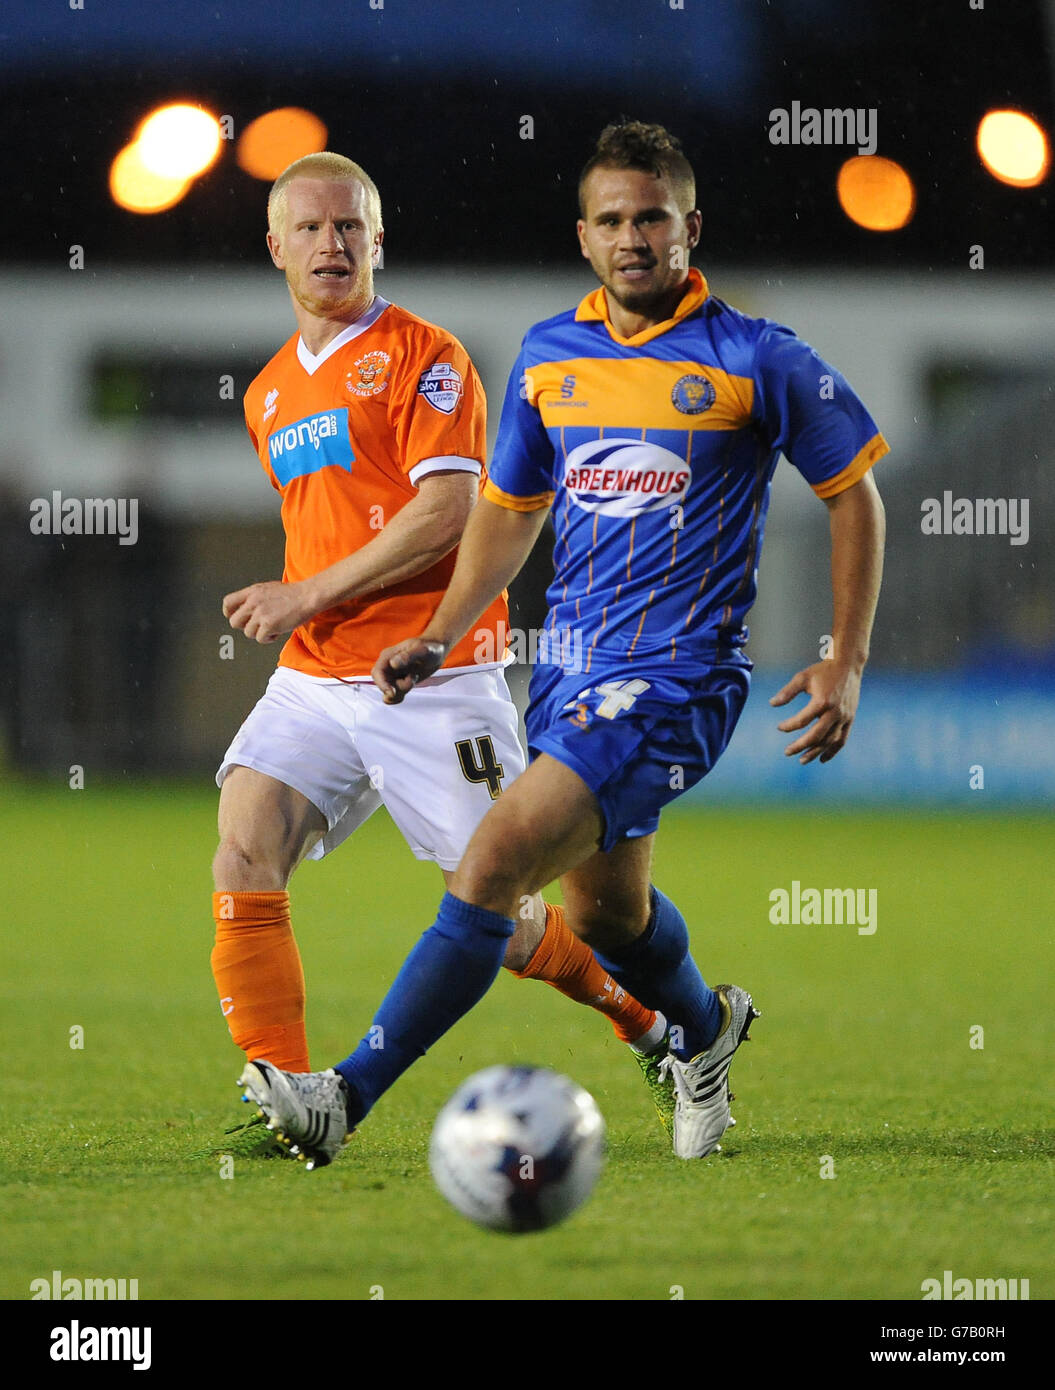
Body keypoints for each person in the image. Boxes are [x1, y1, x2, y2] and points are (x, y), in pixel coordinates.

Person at [240, 123, 887, 1166]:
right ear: (583, 236)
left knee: (493, 858)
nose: (632, 238)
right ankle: (701, 1029)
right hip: (567, 673)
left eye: (651, 219)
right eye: (611, 220)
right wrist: (439, 630)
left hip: (677, 677)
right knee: (605, 916)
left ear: (689, 229)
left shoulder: (756, 357)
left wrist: (842, 656)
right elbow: (504, 509)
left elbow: (852, 494)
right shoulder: (551, 356)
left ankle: (342, 1096)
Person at [213, 151, 671, 1159]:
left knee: (501, 912)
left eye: (350, 228)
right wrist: (310, 609)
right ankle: (287, 1093)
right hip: (316, 676)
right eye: (311, 228)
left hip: (431, 674)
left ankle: (650, 1024)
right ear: (276, 246)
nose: (332, 244)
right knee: (244, 843)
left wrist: (306, 595)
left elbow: (448, 510)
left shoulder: (423, 354)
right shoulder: (269, 394)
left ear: (378, 241)